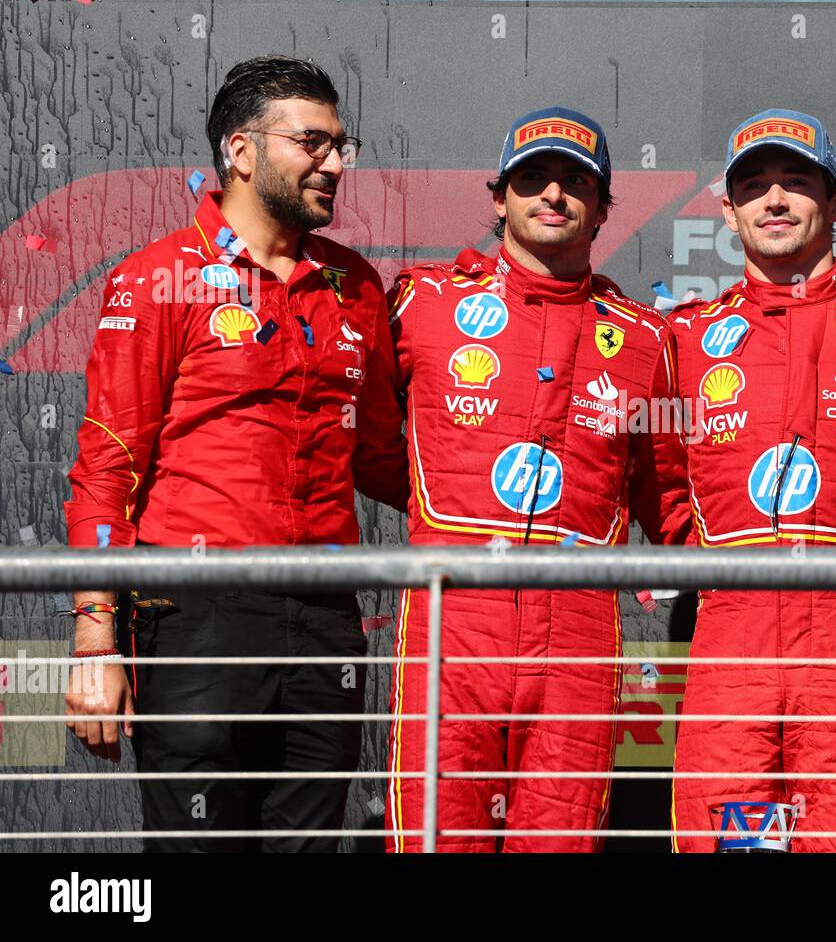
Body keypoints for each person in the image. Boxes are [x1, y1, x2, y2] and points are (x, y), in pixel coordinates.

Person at [62, 55, 408, 852]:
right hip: (196, 612)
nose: (334, 164)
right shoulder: (158, 279)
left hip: (327, 617)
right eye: (312, 143)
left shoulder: (356, 287)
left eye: (341, 146)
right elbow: (107, 467)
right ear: (241, 151)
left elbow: (389, 460)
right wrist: (94, 640)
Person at [385, 106, 693, 852]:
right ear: (499, 198)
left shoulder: (648, 339)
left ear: (602, 209)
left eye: (574, 182)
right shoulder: (423, 303)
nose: (552, 195)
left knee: (559, 842)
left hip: (580, 629)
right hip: (450, 618)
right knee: (436, 840)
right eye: (532, 179)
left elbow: (671, 499)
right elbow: (350, 437)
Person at [669, 109, 836, 852]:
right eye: (754, 186)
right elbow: (655, 471)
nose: (775, 200)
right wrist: (701, 560)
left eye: (796, 182)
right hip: (731, 636)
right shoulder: (684, 336)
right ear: (728, 211)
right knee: (727, 843)